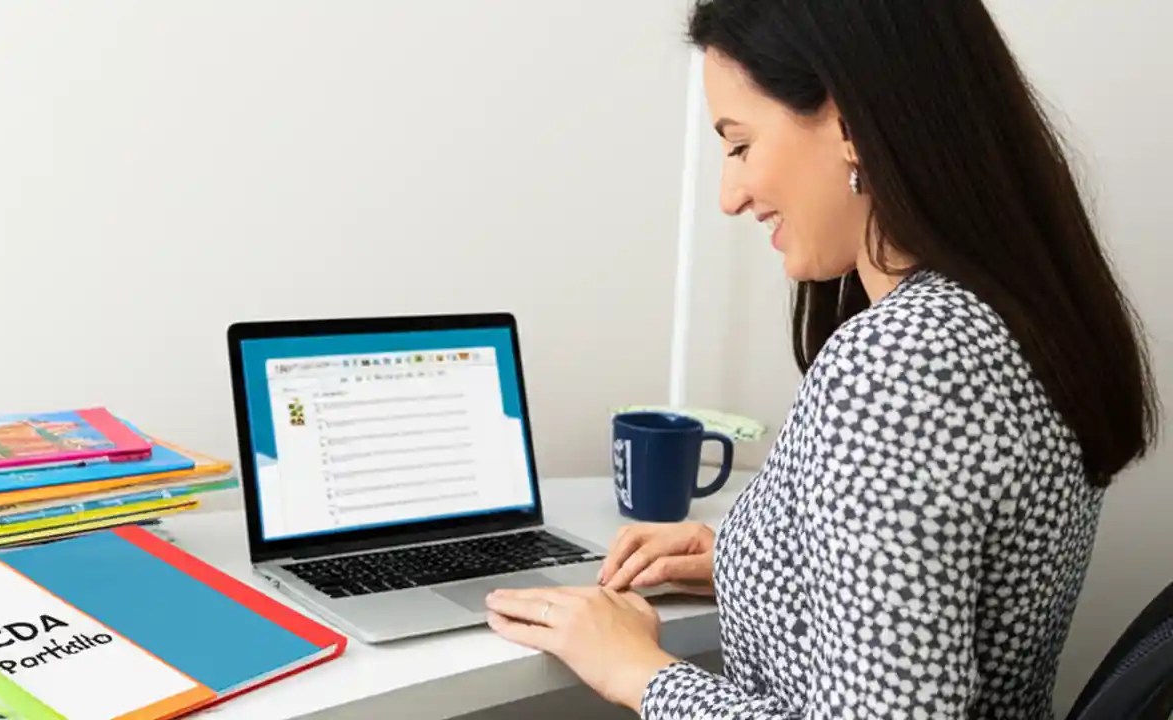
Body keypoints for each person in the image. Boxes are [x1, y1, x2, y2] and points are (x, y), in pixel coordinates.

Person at [483, 1, 1162, 718]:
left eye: (740, 145)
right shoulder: (1013, 319)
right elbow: (948, 583)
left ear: (847, 125)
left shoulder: (899, 365)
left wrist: (641, 674)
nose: (730, 194)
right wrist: (749, 560)